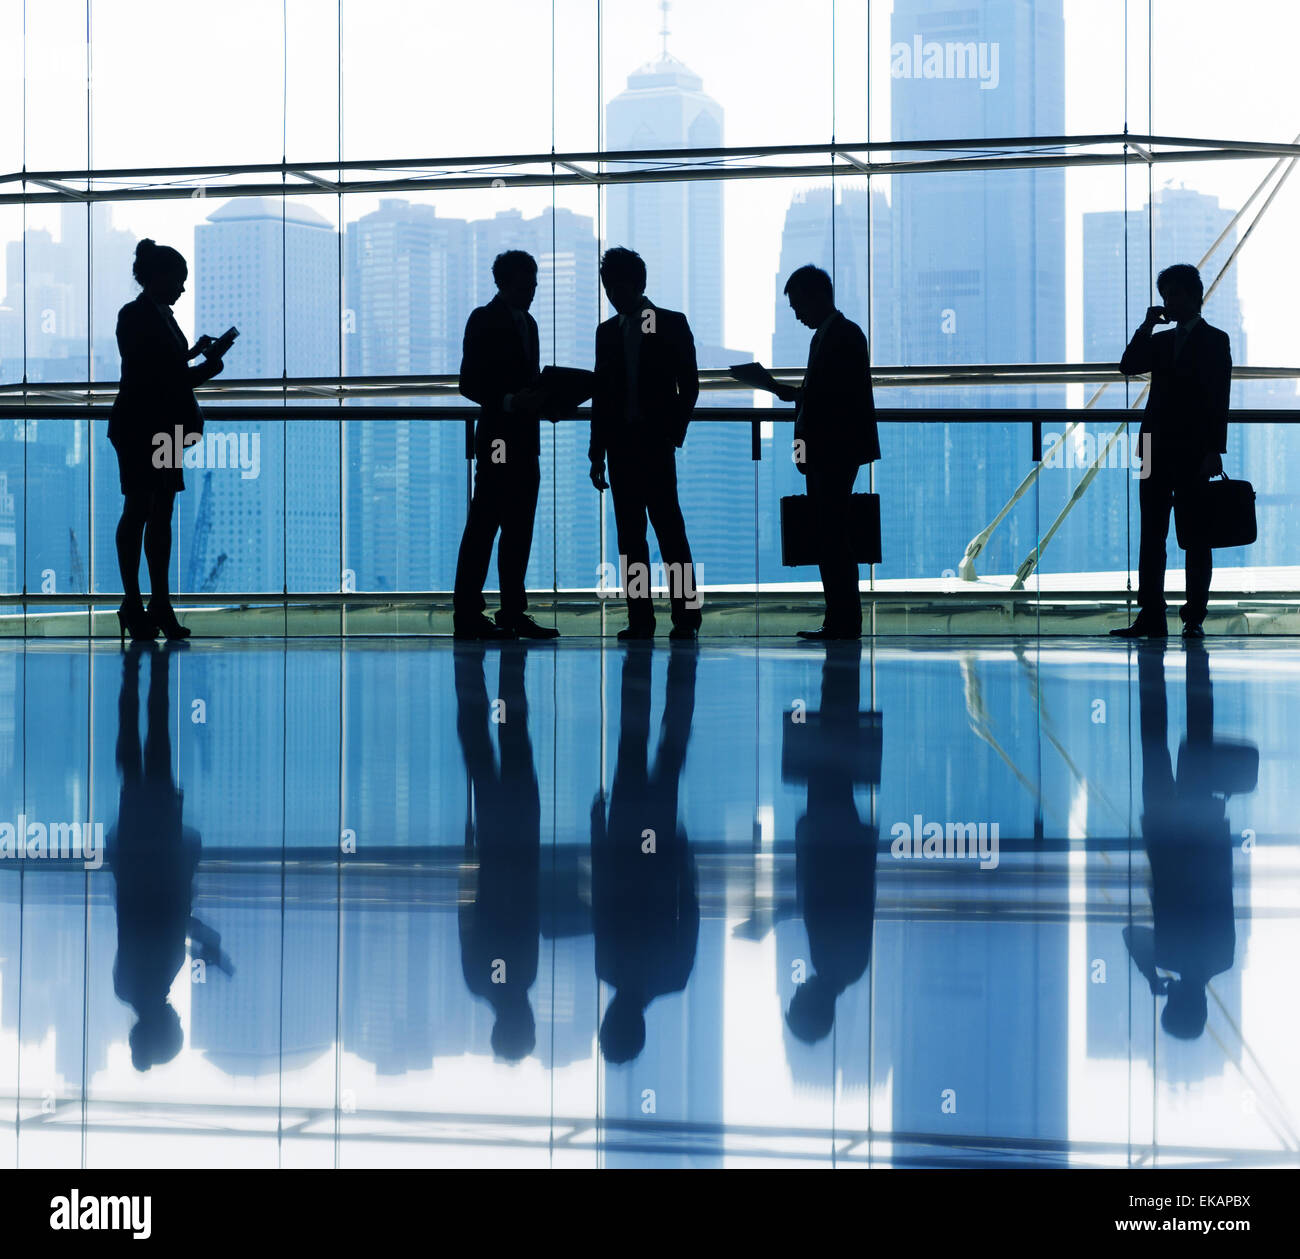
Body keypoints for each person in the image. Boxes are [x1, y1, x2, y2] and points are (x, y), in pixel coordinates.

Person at [745, 265, 879, 640]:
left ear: (817, 295)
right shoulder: (834, 335)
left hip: (833, 451)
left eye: (798, 304)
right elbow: (824, 395)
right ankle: (839, 618)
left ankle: (843, 619)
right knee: (831, 535)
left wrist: (789, 397)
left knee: (833, 536)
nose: (797, 313)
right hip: (830, 450)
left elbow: (831, 400)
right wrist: (788, 392)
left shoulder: (841, 335)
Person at [109, 239, 233, 642]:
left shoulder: (153, 316)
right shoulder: (137, 316)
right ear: (158, 277)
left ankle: (148, 603)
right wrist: (205, 369)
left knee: (153, 511)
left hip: (156, 430)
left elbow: (160, 368)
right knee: (146, 510)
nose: (183, 288)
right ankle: (143, 602)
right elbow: (159, 380)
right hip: (146, 429)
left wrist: (194, 353)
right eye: (178, 280)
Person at [1112, 263, 1231, 639]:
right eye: (1166, 296)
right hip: (1152, 448)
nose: (1169, 302)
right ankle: (1152, 614)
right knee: (1152, 533)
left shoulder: (1216, 339)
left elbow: (1219, 397)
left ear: (1194, 296)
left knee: (1196, 535)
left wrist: (1215, 449)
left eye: (1175, 295)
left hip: (1194, 449)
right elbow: (1128, 366)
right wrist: (1147, 324)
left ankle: (1194, 616)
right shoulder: (1160, 341)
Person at [590, 247, 702, 641]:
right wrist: (597, 452)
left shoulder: (669, 324)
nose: (611, 294)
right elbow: (601, 399)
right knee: (636, 535)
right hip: (624, 446)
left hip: (652, 443)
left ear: (637, 284)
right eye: (607, 287)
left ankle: (682, 618)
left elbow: (690, 386)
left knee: (665, 530)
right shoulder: (608, 333)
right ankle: (645, 619)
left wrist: (673, 433)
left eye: (616, 286)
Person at [452, 250, 558, 641]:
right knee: (486, 525)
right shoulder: (483, 319)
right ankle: (471, 613)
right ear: (505, 283)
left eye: (533, 283)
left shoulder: (528, 324)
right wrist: (512, 401)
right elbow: (469, 383)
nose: (531, 290)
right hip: (499, 437)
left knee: (516, 529)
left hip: (524, 439)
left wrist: (543, 402)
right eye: (525, 284)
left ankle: (510, 612)